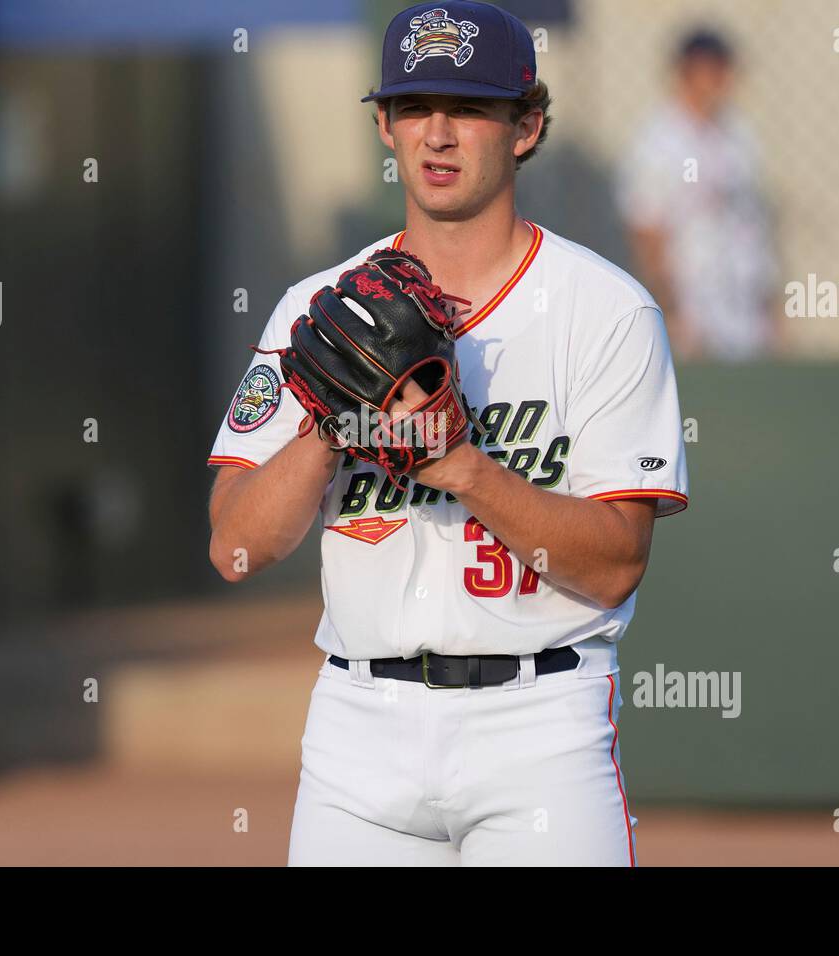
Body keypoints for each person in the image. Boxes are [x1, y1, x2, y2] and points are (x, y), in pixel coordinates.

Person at [206, 1, 688, 866]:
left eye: (468, 108)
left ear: (526, 126)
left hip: (538, 727)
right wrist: (329, 425)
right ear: (384, 126)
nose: (438, 133)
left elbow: (616, 562)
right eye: (414, 107)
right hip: (360, 732)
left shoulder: (605, 310)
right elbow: (235, 545)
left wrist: (463, 468)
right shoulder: (319, 313)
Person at [618, 27, 780, 362]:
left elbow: (754, 226)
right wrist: (671, 311)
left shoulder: (738, 134)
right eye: (711, 69)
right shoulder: (658, 141)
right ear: (685, 73)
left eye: (724, 69)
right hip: (693, 307)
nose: (721, 80)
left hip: (744, 303)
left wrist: (771, 309)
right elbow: (646, 229)